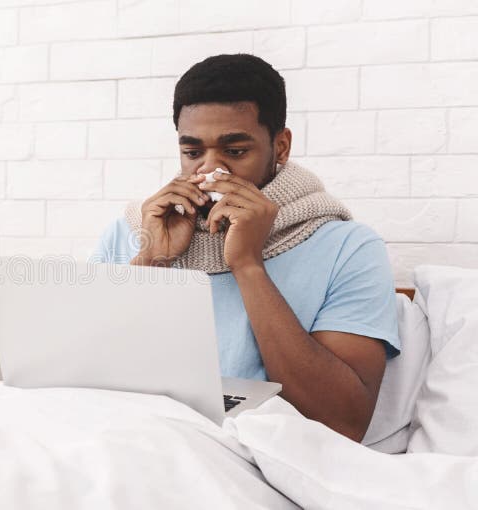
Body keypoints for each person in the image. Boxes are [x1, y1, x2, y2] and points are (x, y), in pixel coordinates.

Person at [92, 54, 400, 442]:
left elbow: (342, 422)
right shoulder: (133, 231)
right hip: (123, 434)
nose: (208, 171)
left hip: (243, 453)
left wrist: (248, 265)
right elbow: (81, 371)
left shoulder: (348, 248)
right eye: (192, 153)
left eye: (235, 152)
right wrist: (153, 259)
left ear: (281, 147)